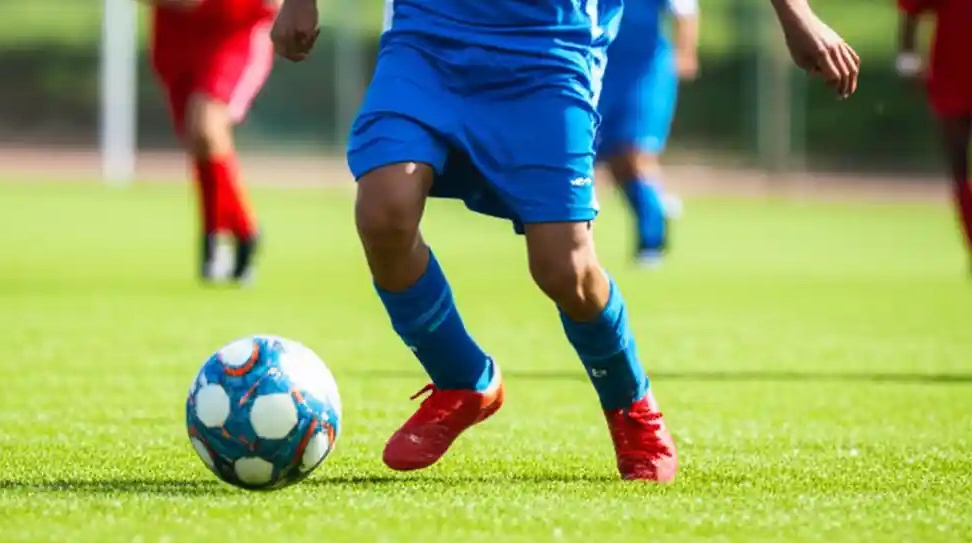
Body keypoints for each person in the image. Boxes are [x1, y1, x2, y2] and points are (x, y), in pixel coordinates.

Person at [270, 0, 858, 482]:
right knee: (383, 213)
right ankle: (462, 378)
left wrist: (795, 15)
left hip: (547, 52)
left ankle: (631, 403)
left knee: (564, 268)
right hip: (429, 38)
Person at [148, 0, 278, 284]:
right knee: (198, 139)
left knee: (206, 125)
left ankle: (234, 233)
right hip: (178, 37)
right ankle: (225, 234)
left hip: (236, 30)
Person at [598, 0, 699, 265]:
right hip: (604, 67)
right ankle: (656, 204)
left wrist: (685, 52)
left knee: (635, 153)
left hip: (647, 69)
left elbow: (685, 10)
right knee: (614, 160)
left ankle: (651, 242)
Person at [897, 0, 972, 267]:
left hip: (951, 78)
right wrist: (907, 61)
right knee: (959, 168)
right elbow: (911, 9)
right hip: (953, 77)